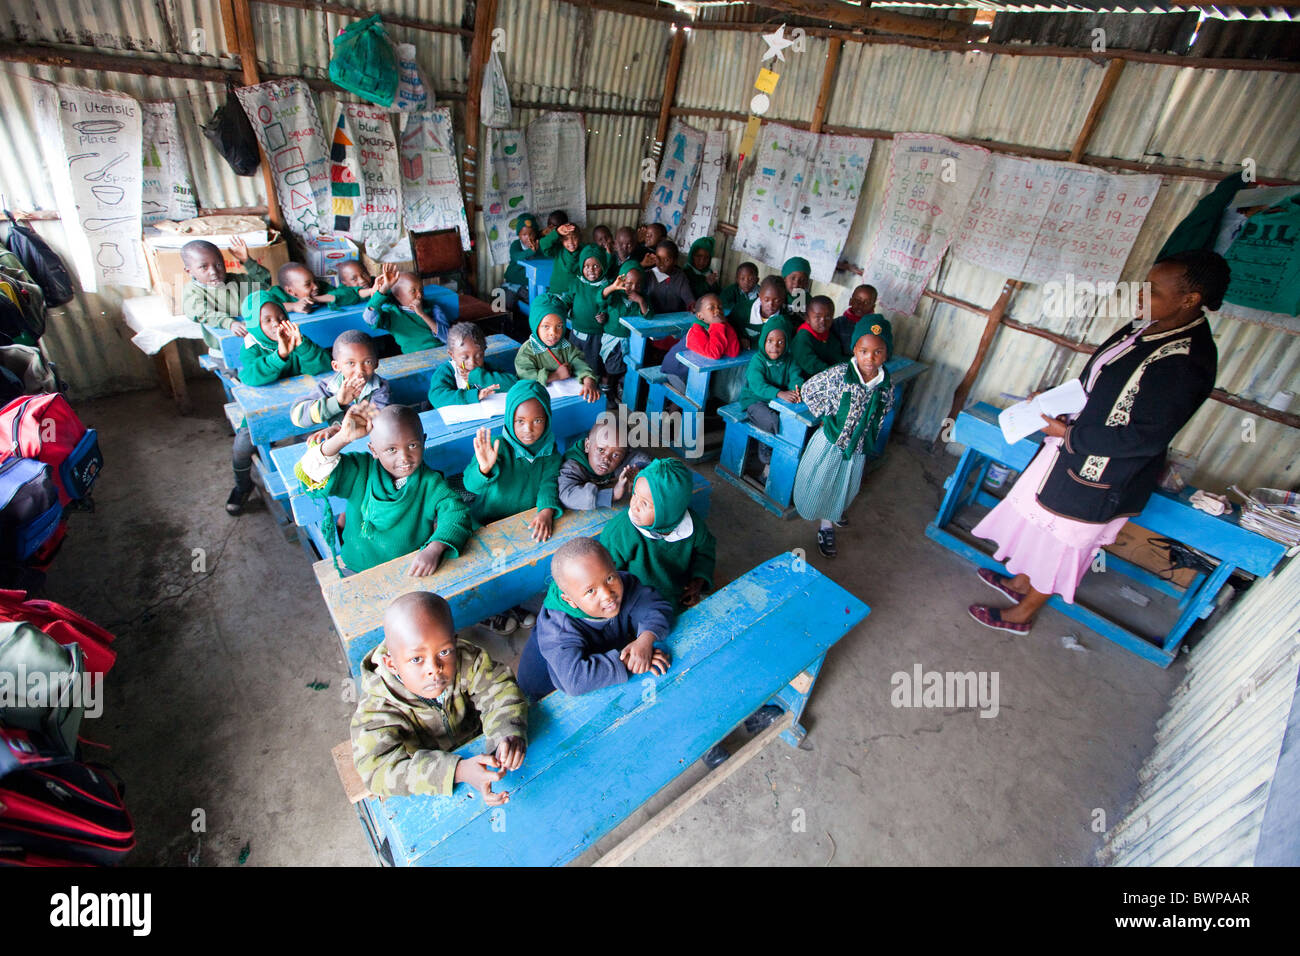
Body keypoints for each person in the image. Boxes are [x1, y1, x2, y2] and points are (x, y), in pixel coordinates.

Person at [968, 251, 1226, 634]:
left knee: (1067, 541)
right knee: (1043, 523)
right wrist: (1053, 402)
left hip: (1104, 470)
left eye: (1152, 289)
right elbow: (1101, 381)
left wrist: (1068, 433)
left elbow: (1144, 435)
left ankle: (1023, 615)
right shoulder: (1146, 325)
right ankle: (1020, 583)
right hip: (1073, 449)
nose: (1139, 294)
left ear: (1189, 299)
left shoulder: (1186, 360)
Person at [351, 592, 526, 802]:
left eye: (444, 652)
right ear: (391, 664)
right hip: (431, 781)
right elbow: (377, 770)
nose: (434, 669)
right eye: (416, 659)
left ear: (454, 641)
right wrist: (456, 771)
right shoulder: (377, 706)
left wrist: (506, 733)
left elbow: (500, 689)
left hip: (479, 747)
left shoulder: (467, 659)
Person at [295, 404, 472, 575]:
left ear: (423, 441)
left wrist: (435, 548)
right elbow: (309, 471)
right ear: (374, 450)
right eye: (391, 449)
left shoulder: (430, 482)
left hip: (408, 569)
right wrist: (342, 438)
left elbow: (456, 512)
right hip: (355, 567)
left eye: (412, 445)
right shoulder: (361, 470)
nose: (404, 458)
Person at [514, 537, 673, 700]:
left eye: (610, 578)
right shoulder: (557, 627)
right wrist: (629, 661)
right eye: (590, 591)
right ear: (570, 600)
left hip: (601, 668)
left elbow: (657, 607)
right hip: (545, 688)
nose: (607, 594)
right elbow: (574, 679)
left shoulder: (625, 583)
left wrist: (645, 639)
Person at [227, 291, 334, 515]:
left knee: (309, 443)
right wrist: (280, 355)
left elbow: (323, 365)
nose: (276, 324)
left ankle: (305, 495)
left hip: (301, 406)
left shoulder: (296, 337)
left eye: (280, 316)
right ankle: (242, 485)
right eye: (266, 320)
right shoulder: (251, 346)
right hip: (263, 410)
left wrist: (301, 346)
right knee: (242, 446)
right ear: (255, 324)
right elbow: (251, 377)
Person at [792, 322, 893, 558]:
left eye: (878, 352)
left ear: (886, 353)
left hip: (857, 448)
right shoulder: (840, 374)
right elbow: (810, 390)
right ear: (854, 349)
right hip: (830, 444)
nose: (870, 358)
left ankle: (830, 518)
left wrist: (868, 435)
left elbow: (884, 410)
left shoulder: (884, 383)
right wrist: (825, 415)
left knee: (845, 484)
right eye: (864, 351)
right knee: (821, 481)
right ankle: (823, 521)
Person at [600, 457, 714, 612]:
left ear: (669, 510)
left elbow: (705, 554)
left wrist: (698, 581)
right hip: (635, 600)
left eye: (645, 503)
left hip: (678, 592)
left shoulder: (693, 527)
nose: (634, 506)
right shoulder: (621, 532)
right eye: (635, 494)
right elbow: (606, 574)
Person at [464, 380, 565, 543]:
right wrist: (483, 469)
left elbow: (549, 484)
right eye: (520, 421)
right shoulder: (495, 448)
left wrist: (546, 510)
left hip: (525, 521)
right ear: (510, 418)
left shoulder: (550, 452)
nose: (528, 429)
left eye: (537, 420)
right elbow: (470, 486)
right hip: (485, 523)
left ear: (547, 419)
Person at [737, 314, 803, 472]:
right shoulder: (757, 361)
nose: (775, 346)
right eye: (770, 341)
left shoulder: (789, 360)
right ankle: (767, 458)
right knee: (772, 421)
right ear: (763, 341)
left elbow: (796, 377)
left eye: (781, 342)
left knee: (793, 422)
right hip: (754, 401)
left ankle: (785, 458)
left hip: (777, 402)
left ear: (787, 344)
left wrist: (797, 390)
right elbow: (758, 386)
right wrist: (780, 393)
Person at [290, 329, 390, 430]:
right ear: (336, 366)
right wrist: (337, 401)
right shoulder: (328, 387)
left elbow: (377, 424)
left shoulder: (380, 388)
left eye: (367, 362)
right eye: (351, 363)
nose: (360, 371)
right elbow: (297, 417)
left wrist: (337, 430)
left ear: (376, 363)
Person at [180, 237, 268, 349]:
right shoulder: (192, 291)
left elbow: (264, 282)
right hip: (223, 349)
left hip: (253, 343)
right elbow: (202, 313)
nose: (213, 272)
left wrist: (247, 261)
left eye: (218, 265)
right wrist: (229, 323)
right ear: (189, 271)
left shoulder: (235, 280)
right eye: (204, 267)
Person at [514, 294, 600, 403]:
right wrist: (555, 375)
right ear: (535, 325)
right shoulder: (527, 351)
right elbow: (525, 376)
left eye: (559, 326)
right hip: (536, 401)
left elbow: (578, 363)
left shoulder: (566, 346)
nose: (553, 333)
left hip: (564, 399)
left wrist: (588, 379)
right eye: (546, 326)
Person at [559, 414, 650, 511]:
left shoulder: (623, 453)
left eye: (616, 455)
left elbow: (640, 458)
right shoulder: (573, 465)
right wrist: (612, 495)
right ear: (587, 445)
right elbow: (566, 496)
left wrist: (638, 471)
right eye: (601, 450)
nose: (606, 459)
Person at [427, 321, 516, 409]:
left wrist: (480, 377)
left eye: (478, 356)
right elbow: (437, 398)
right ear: (452, 355)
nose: (472, 363)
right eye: (465, 357)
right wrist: (474, 396)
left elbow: (513, 384)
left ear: (484, 351)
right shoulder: (446, 371)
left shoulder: (487, 369)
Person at [569, 245, 621, 393]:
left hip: (595, 336)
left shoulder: (607, 286)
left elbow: (609, 306)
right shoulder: (577, 283)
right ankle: (574, 390)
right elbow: (568, 299)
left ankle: (593, 391)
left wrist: (604, 316)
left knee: (592, 366)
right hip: (576, 333)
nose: (590, 270)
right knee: (574, 362)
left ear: (603, 266)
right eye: (586, 266)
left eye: (596, 266)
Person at [364, 264, 447, 354]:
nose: (419, 295)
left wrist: (422, 314)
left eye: (421, 290)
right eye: (413, 291)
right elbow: (369, 318)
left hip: (440, 352)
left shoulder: (432, 307)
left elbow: (446, 337)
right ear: (398, 295)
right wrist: (384, 288)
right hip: (413, 358)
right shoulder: (392, 315)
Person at [659, 292, 739, 385]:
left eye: (720, 307)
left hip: (697, 371)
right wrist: (718, 325)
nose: (717, 310)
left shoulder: (718, 327)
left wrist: (725, 325)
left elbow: (733, 351)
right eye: (711, 308)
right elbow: (714, 353)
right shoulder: (696, 332)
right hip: (677, 371)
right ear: (700, 316)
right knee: (693, 397)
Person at [791, 295, 849, 379]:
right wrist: (833, 371)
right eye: (817, 317)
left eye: (828, 317)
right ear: (807, 318)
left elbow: (836, 356)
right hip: (804, 379)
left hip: (826, 374)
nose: (823, 321)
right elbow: (811, 364)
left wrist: (852, 363)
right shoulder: (803, 337)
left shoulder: (828, 335)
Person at [271, 262, 361, 314]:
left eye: (315, 281)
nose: (315, 286)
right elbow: (261, 308)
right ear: (290, 291)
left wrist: (317, 299)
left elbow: (347, 293)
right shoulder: (276, 293)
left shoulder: (322, 287)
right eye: (307, 284)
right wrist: (294, 306)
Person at [641, 239, 696, 315]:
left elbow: (689, 299)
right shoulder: (649, 275)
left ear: (675, 261)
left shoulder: (680, 276)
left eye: (666, 260)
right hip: (652, 318)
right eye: (658, 258)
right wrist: (641, 265)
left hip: (674, 319)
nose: (661, 263)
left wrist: (692, 306)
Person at [833, 284, 889, 357]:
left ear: (873, 306)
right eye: (857, 300)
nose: (861, 305)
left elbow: (884, 351)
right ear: (850, 301)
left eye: (867, 303)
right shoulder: (838, 323)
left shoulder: (876, 326)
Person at [739, 275, 788, 349]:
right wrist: (739, 337)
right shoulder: (742, 309)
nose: (771, 304)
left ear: (783, 299)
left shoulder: (783, 320)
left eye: (777, 301)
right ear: (759, 295)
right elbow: (730, 326)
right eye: (766, 300)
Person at [540, 222, 583, 295]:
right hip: (556, 293)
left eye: (574, 238)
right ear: (561, 240)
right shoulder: (558, 249)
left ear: (580, 238)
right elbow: (543, 244)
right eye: (566, 239)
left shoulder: (584, 251)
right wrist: (557, 232)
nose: (571, 242)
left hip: (576, 294)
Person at [720, 261, 759, 338]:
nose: (746, 282)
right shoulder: (731, 290)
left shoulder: (761, 293)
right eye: (742, 279)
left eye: (750, 279)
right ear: (737, 279)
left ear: (757, 280)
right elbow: (722, 303)